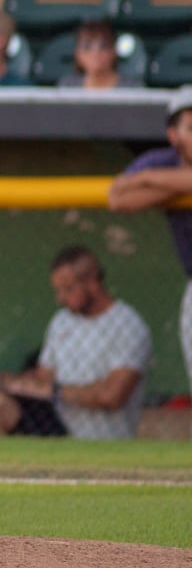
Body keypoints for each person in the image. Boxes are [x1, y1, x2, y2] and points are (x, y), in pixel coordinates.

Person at [0, 246, 152, 440]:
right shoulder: (62, 320)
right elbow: (42, 378)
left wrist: (54, 391)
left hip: (104, 437)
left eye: (68, 289)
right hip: (57, 426)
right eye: (58, 290)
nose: (60, 298)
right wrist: (3, 381)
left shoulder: (128, 324)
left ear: (92, 283)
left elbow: (111, 396)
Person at [108, 85, 192, 395]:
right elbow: (118, 198)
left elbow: (135, 184)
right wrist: (178, 186)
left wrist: (146, 179)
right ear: (174, 135)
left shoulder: (154, 171)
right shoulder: (164, 161)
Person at [58, 19, 140, 89]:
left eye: (103, 46)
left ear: (114, 51)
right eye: (87, 47)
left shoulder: (132, 87)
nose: (95, 53)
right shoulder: (68, 87)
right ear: (77, 54)